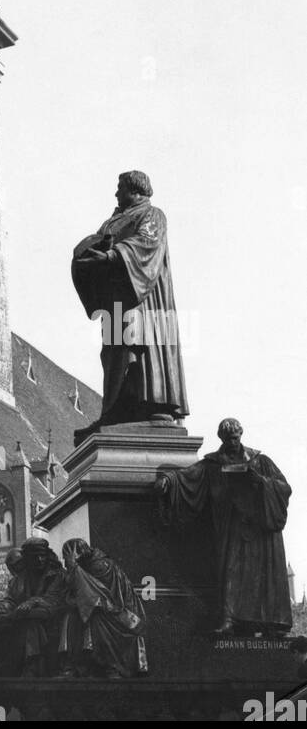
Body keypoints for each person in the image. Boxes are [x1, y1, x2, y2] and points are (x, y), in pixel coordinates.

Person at [71, 171, 188, 439]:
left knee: (142, 350)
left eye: (119, 188)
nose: (115, 194)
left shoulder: (152, 214)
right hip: (116, 300)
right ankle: (115, 409)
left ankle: (154, 404)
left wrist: (112, 255)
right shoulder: (114, 220)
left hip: (143, 299)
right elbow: (96, 243)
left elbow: (146, 244)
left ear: (134, 189)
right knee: (114, 353)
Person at [156, 419, 292, 636]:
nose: (232, 442)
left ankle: (267, 623)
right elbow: (188, 476)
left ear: (241, 434)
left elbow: (283, 488)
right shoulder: (213, 464)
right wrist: (168, 480)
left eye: (235, 437)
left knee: (260, 576)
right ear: (221, 439)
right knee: (230, 573)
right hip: (231, 529)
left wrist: (259, 482)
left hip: (258, 530)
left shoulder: (260, 461)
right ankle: (230, 620)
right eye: (228, 439)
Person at [0, 538, 66, 677]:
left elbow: (54, 601)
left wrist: (33, 602)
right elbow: (10, 600)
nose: (40, 560)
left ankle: (31, 670)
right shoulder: (20, 579)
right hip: (16, 623)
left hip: (45, 624)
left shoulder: (57, 575)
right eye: (35, 557)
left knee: (31, 625)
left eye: (43, 555)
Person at [58, 538, 147, 678]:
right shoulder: (85, 566)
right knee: (70, 616)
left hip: (123, 612)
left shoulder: (100, 565)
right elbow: (76, 593)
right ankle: (72, 666)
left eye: (67, 557)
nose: (65, 562)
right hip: (104, 607)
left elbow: (98, 596)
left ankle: (110, 666)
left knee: (96, 619)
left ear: (78, 553)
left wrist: (74, 567)